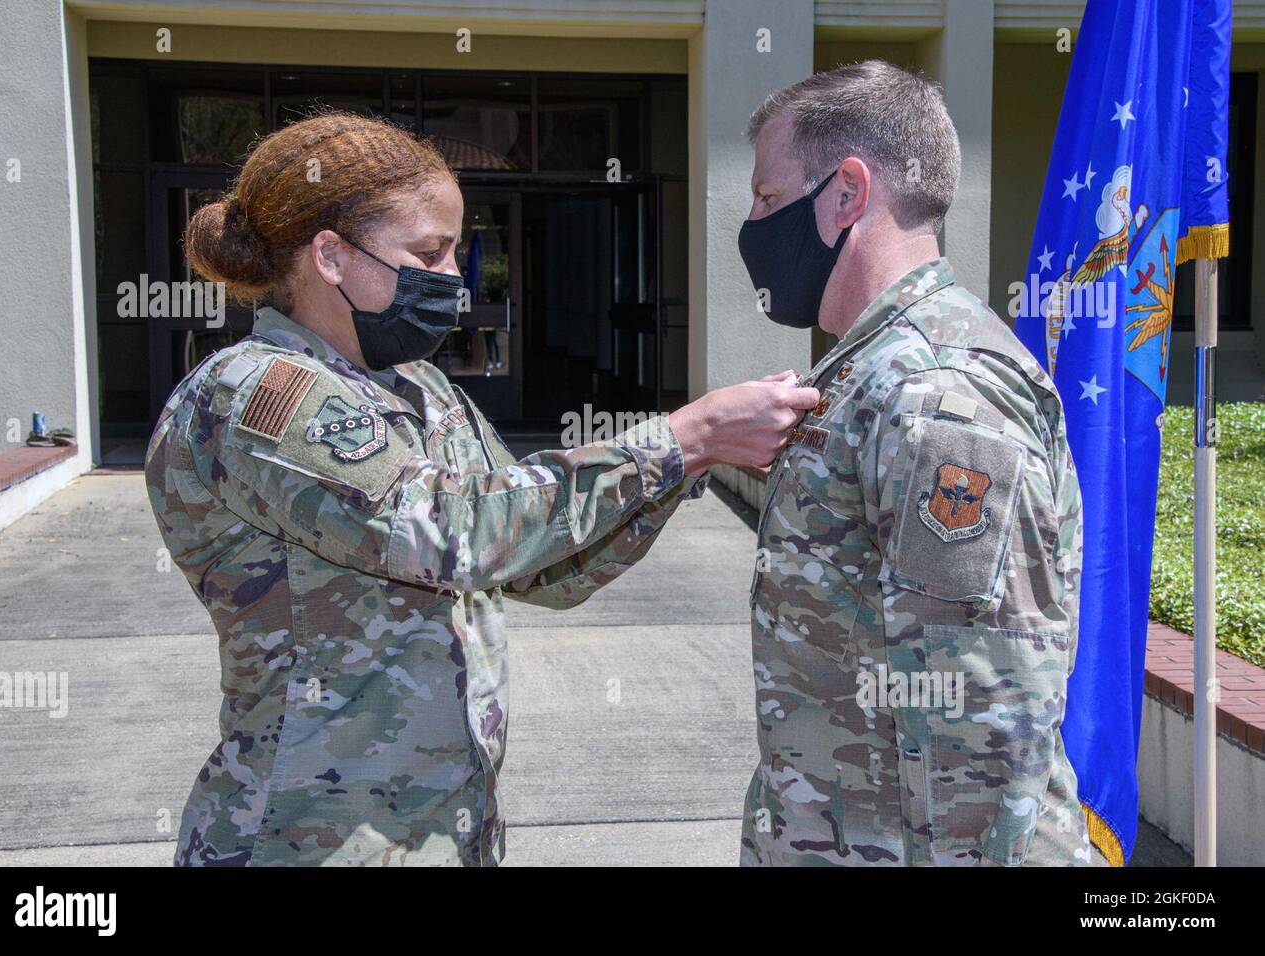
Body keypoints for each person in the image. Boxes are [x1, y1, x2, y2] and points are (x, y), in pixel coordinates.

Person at [145, 112, 818, 866]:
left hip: (446, 824)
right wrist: (683, 436)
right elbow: (452, 532)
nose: (452, 276)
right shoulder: (255, 395)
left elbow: (544, 566)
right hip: (308, 836)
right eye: (427, 253)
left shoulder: (422, 389)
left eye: (454, 251)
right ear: (331, 255)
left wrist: (691, 461)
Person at [736, 61, 1103, 866]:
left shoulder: (936, 393)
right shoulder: (873, 371)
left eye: (767, 198)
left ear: (846, 193)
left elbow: (981, 718)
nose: (755, 225)